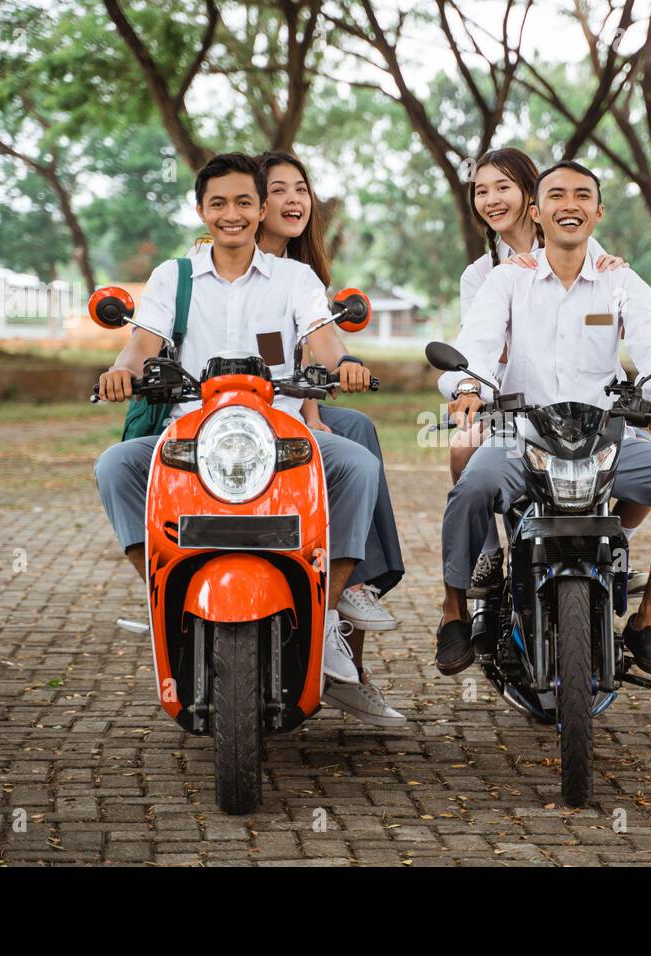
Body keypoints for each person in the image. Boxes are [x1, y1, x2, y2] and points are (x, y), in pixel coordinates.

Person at [93, 152, 378, 689]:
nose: (233, 213)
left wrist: (344, 364)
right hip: (191, 437)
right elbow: (141, 345)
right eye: (218, 202)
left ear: (261, 207)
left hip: (281, 435)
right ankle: (162, 589)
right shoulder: (172, 277)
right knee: (114, 466)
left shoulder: (294, 277)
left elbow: (321, 337)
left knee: (358, 466)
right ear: (201, 210)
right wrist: (118, 372)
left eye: (245, 202)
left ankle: (329, 611)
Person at [434, 160, 651, 679]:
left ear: (598, 211)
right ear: (537, 213)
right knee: (471, 489)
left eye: (582, 195)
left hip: (605, 438)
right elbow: (475, 344)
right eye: (557, 196)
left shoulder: (621, 280)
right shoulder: (504, 280)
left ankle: (647, 620)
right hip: (520, 436)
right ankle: (455, 608)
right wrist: (468, 388)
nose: (570, 205)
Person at [250, 148, 407, 727]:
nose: (295, 200)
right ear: (251, 201)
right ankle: (348, 593)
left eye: (302, 189)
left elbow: (309, 350)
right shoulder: (208, 270)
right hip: (231, 420)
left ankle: (351, 600)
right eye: (279, 189)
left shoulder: (302, 275)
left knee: (357, 428)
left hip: (290, 408)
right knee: (352, 436)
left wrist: (315, 409)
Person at [454, 148, 651, 599]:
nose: (491, 200)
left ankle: (612, 542)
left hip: (587, 403)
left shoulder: (586, 252)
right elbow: (483, 345)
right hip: (511, 402)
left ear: (530, 197)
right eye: (481, 192)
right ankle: (489, 552)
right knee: (462, 447)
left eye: (502, 187)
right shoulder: (484, 274)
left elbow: (607, 310)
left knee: (645, 456)